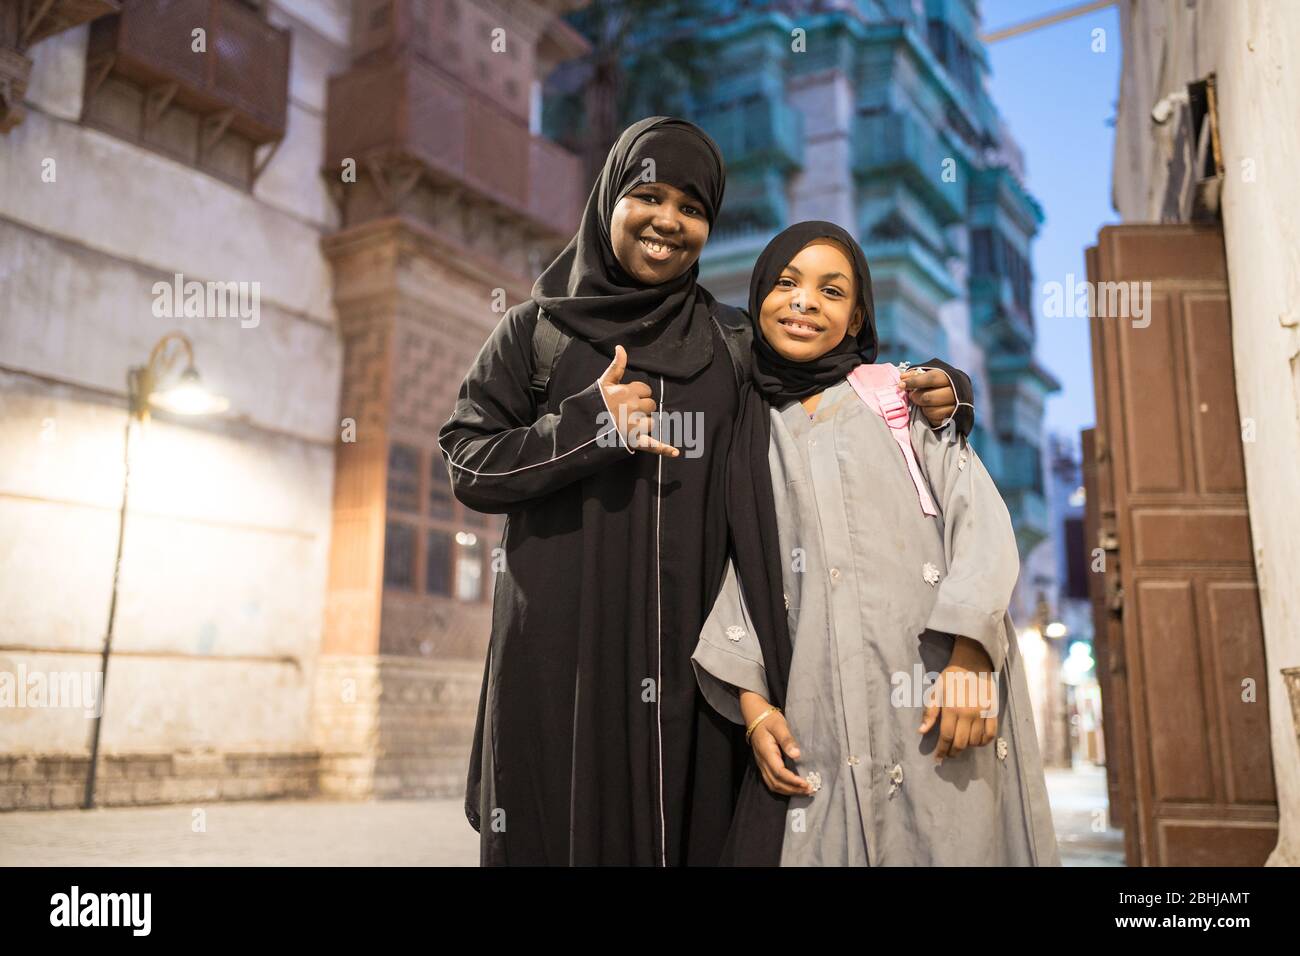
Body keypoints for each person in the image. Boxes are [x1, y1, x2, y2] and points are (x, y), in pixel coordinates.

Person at [439, 119, 974, 865]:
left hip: (697, 666)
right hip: (564, 658)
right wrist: (587, 426)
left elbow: (828, 373)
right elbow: (469, 462)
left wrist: (948, 394)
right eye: (647, 195)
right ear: (608, 202)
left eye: (691, 208)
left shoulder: (730, 342)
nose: (668, 220)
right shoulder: (537, 333)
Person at [693, 221, 1060, 866]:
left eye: (832, 291)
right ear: (758, 299)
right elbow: (744, 576)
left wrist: (972, 660)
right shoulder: (751, 433)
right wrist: (754, 710)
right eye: (786, 283)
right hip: (821, 713)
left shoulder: (901, 398)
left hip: (940, 696)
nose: (805, 302)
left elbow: (979, 524)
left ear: (858, 315)